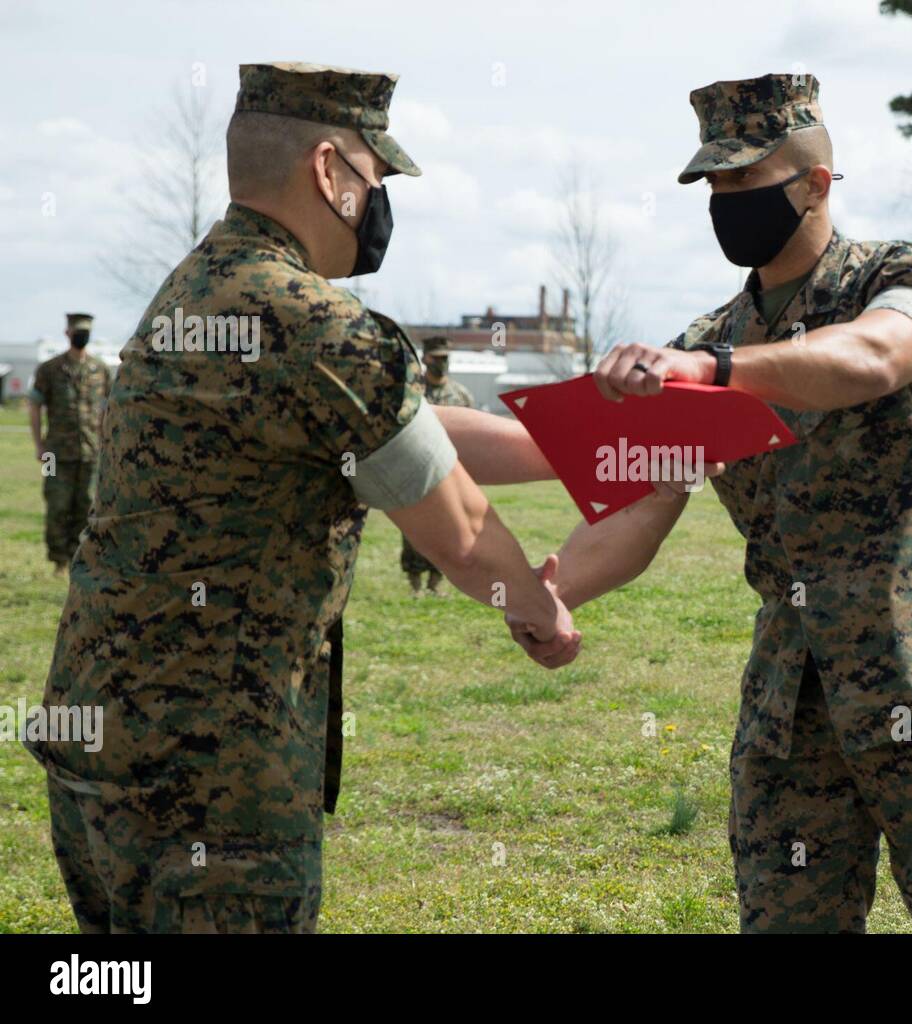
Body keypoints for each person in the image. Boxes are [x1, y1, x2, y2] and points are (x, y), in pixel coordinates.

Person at [25, 62, 579, 934]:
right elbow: (463, 534)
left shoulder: (198, 289)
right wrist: (542, 609)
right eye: (378, 178)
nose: (383, 203)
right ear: (330, 173)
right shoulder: (316, 324)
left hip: (102, 748)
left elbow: (403, 425)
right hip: (213, 779)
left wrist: (606, 449)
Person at [513, 73, 912, 933]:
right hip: (793, 705)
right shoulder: (705, 342)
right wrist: (554, 591)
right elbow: (642, 508)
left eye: (744, 182)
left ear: (816, 182)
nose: (726, 202)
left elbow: (872, 359)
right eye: (714, 186)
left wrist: (717, 371)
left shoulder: (904, 279)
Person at [28, 312, 110, 574]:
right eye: (77, 331)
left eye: (85, 331)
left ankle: (80, 560)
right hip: (55, 453)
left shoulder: (101, 370)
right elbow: (34, 406)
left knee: (86, 506)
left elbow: (109, 410)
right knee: (57, 505)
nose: (81, 335)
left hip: (91, 451)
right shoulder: (49, 369)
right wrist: (39, 445)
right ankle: (59, 561)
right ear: (67, 333)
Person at [401, 336, 475, 595]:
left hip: (451, 471)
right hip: (416, 469)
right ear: (425, 358)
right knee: (415, 527)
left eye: (446, 358)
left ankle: (436, 583)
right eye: (437, 358)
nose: (442, 363)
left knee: (448, 527)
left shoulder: (460, 394)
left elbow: (473, 431)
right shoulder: (413, 391)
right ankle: (415, 585)